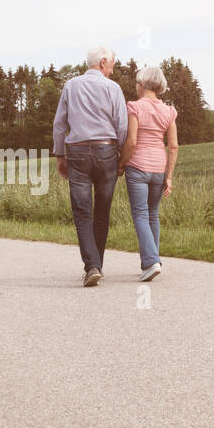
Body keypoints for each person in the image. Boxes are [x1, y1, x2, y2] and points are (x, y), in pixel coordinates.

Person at [53, 46, 128, 287]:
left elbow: (59, 124)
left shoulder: (70, 86)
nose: (113, 71)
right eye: (112, 65)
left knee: (82, 211)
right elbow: (122, 125)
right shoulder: (113, 88)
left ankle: (92, 266)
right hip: (107, 150)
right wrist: (120, 157)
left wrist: (60, 156)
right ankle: (96, 265)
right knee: (102, 212)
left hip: (77, 151)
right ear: (103, 62)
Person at [119, 65, 179, 281]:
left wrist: (121, 163)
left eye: (137, 82)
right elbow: (173, 146)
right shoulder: (169, 111)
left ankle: (151, 261)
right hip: (158, 169)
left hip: (138, 167)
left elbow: (132, 141)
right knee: (152, 214)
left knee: (141, 214)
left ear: (142, 84)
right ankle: (154, 260)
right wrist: (169, 176)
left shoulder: (134, 107)